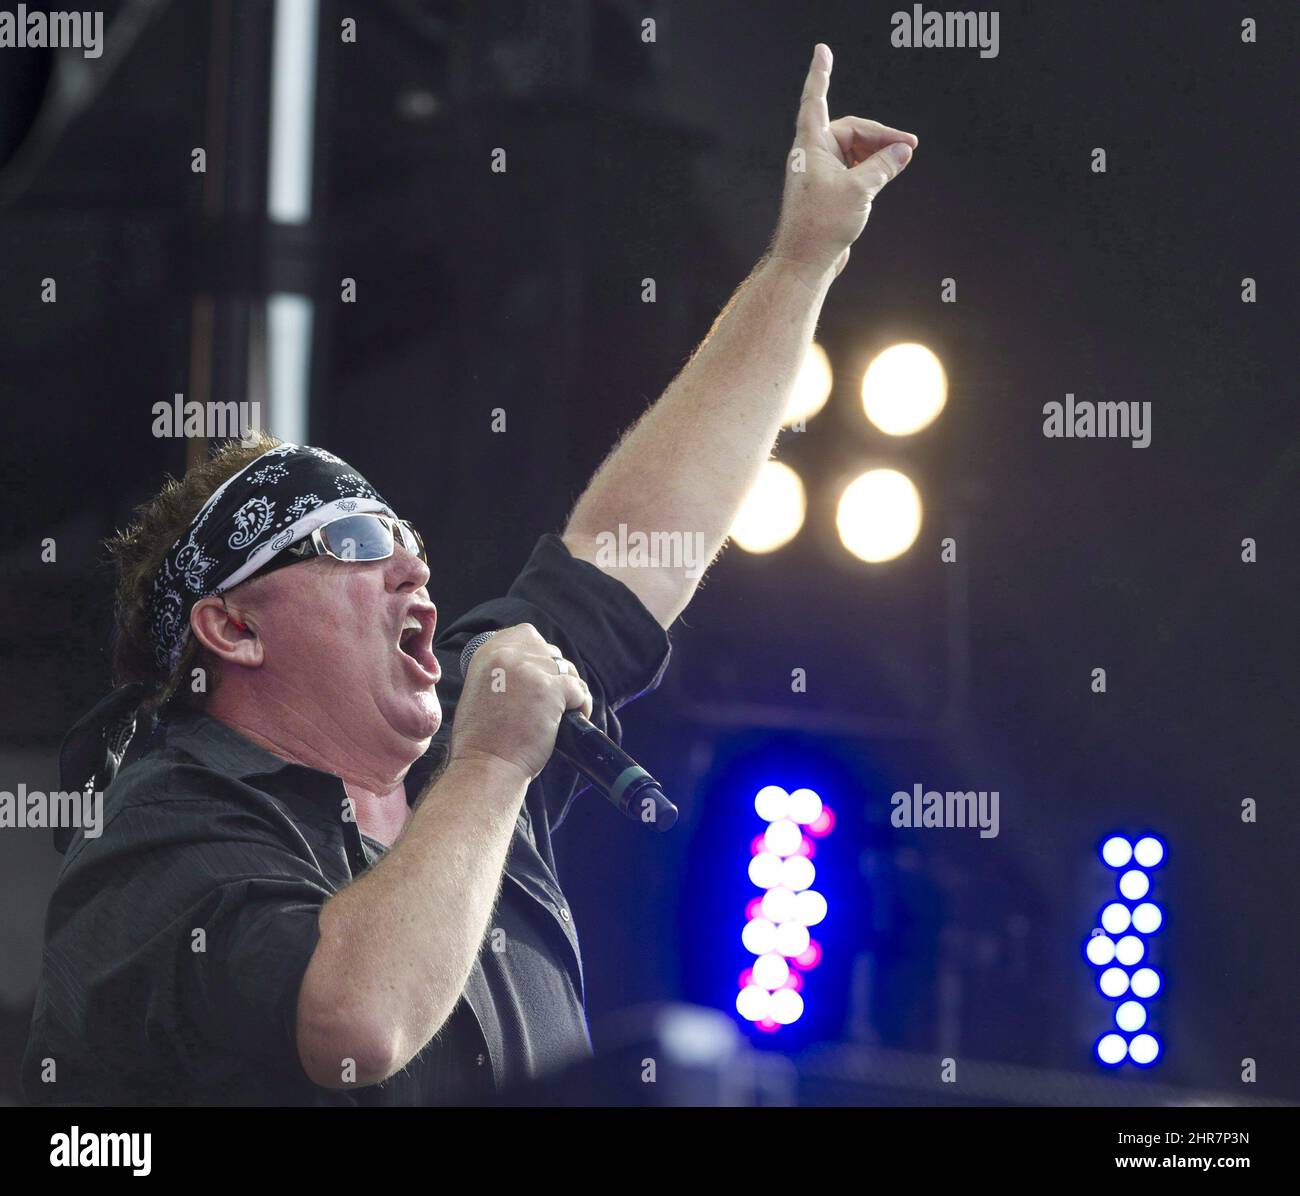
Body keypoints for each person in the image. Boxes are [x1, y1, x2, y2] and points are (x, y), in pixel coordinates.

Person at [22, 44, 916, 1104]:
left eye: (410, 535)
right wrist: (492, 768)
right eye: (354, 542)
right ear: (233, 627)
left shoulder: (465, 726)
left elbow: (638, 542)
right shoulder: (166, 830)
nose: (411, 562)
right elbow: (352, 1023)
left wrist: (801, 258)